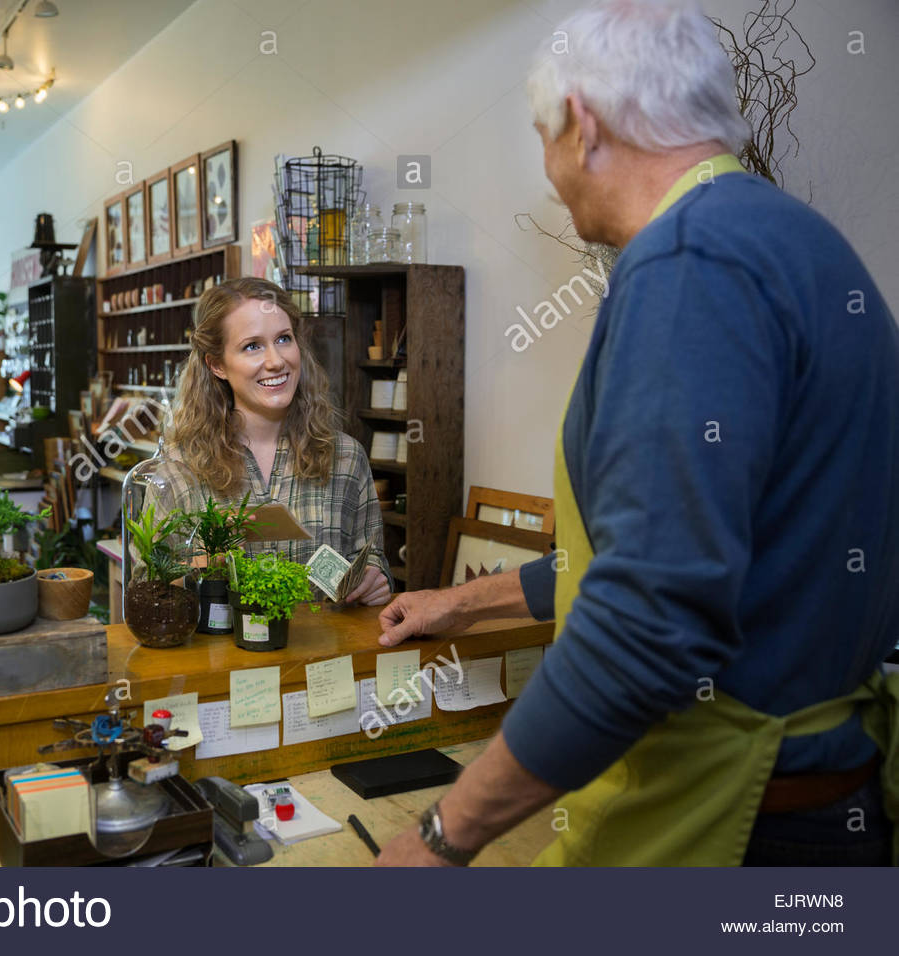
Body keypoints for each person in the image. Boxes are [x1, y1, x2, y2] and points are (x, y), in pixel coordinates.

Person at [375, 0, 899, 866]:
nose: (548, 171)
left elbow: (650, 619)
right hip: (827, 806)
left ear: (581, 125)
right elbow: (686, 554)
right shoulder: (798, 242)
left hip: (731, 827)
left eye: (542, 138)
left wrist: (440, 836)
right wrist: (461, 601)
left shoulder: (688, 263)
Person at [164, 276, 392, 605]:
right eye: (252, 346)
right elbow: (147, 585)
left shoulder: (344, 457)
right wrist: (201, 564)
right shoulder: (179, 467)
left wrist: (376, 581)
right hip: (220, 655)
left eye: (284, 339)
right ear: (217, 365)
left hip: (325, 656)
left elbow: (373, 560)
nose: (276, 361)